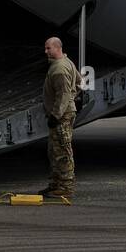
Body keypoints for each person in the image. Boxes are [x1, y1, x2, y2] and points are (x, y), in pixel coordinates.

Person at [42, 36, 80, 200]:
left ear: (57, 48)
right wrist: (71, 98)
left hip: (61, 116)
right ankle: (56, 184)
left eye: (48, 48)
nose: (46, 51)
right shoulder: (67, 62)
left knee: (62, 151)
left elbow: (63, 94)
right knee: (54, 150)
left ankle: (65, 187)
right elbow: (79, 82)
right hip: (64, 112)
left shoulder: (59, 69)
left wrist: (56, 115)